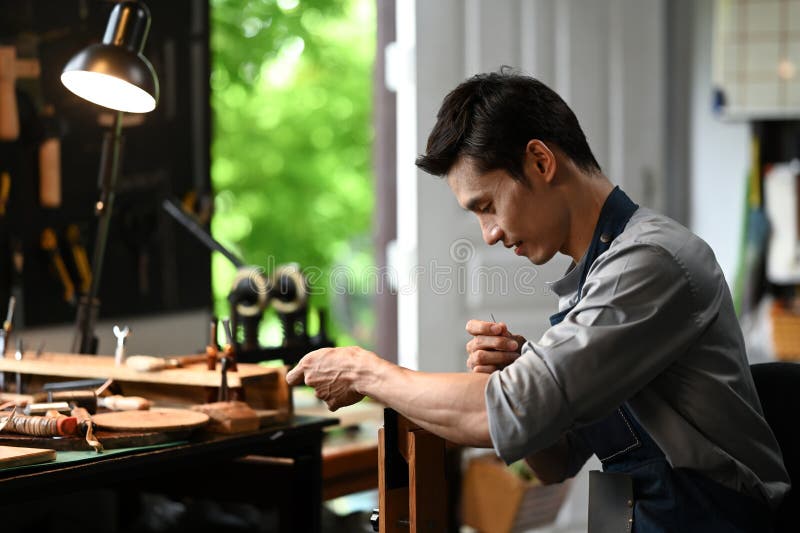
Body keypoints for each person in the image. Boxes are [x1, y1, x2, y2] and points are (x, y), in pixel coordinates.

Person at [286, 68, 790, 531]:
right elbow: (554, 463)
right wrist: (517, 371)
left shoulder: (648, 262)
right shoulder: (594, 275)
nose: (488, 234)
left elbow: (502, 416)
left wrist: (365, 372)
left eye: (487, 206)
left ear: (541, 161)